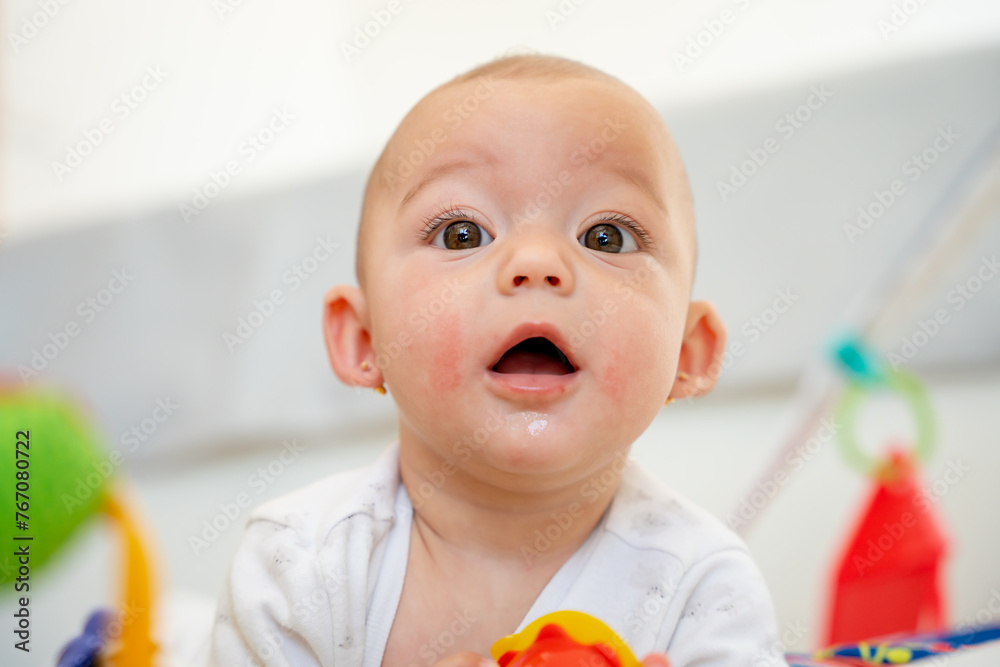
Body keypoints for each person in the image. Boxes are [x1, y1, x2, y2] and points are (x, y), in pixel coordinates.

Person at [207, 53, 787, 667]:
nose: (536, 264)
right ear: (363, 340)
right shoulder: (295, 568)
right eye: (462, 233)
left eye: (606, 237)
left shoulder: (704, 591)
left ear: (688, 353)